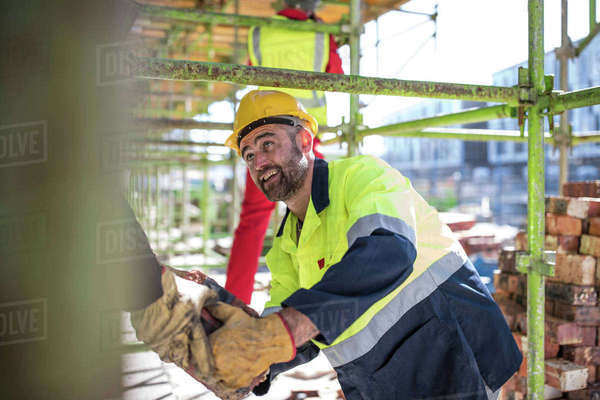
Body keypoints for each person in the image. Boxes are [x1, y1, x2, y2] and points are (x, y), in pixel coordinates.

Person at [206, 90, 522, 400]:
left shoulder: (362, 177)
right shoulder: (286, 245)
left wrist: (299, 320)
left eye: (267, 144)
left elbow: (388, 251)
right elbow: (286, 330)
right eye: (249, 155)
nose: (259, 161)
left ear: (304, 140)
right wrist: (254, 364)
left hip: (453, 354)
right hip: (384, 379)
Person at [224, 0, 343, 304]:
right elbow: (338, 76)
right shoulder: (320, 34)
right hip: (303, 141)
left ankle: (234, 304)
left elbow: (249, 72)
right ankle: (325, 296)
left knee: (252, 222)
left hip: (263, 137)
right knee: (322, 214)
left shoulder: (259, 32)